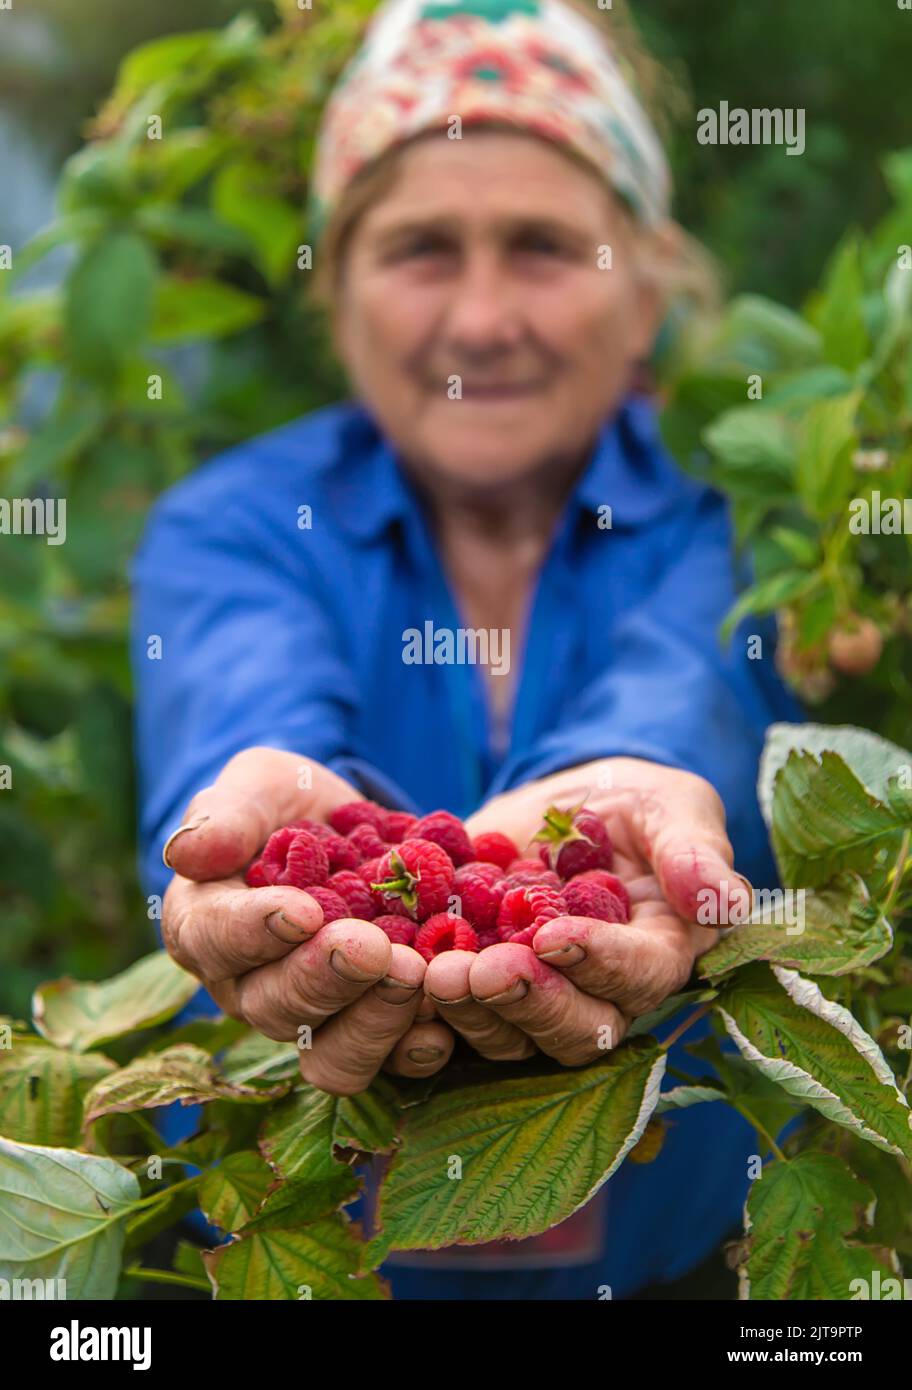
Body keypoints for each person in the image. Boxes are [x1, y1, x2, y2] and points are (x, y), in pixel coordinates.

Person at [130, 0, 803, 1299]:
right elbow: (237, 692)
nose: (483, 318)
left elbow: (691, 670)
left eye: (545, 247)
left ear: (646, 281)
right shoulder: (237, 525)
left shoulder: (737, 519)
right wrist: (248, 803)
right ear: (337, 285)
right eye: (422, 249)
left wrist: (629, 769)